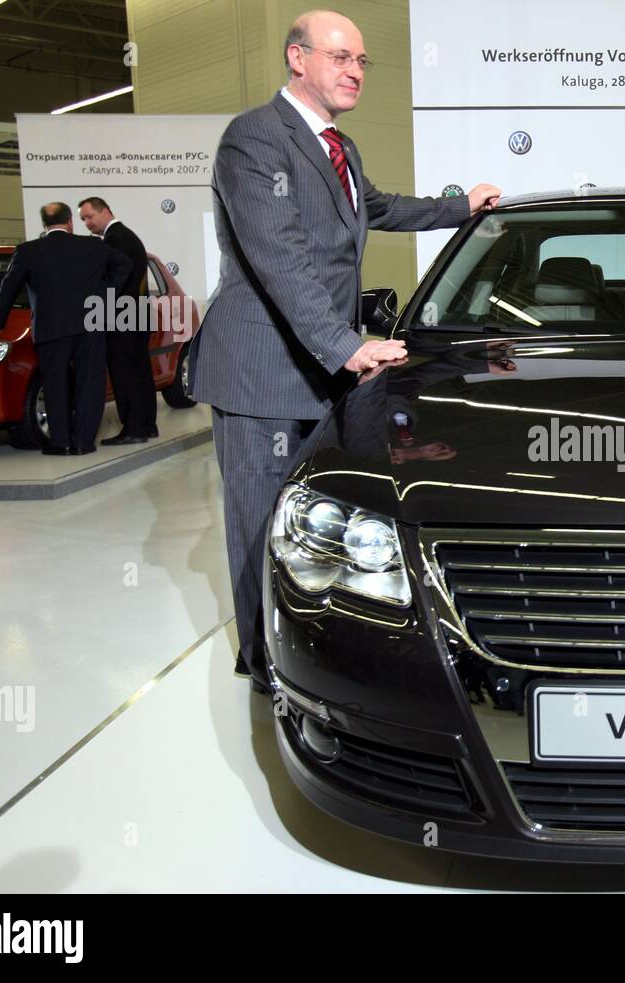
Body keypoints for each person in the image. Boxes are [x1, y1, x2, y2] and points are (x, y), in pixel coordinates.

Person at [188, 8, 502, 691]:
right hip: (262, 372)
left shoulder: (341, 147)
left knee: (315, 526)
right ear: (297, 58)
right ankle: (267, 666)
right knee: (259, 525)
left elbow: (378, 208)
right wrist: (346, 345)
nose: (355, 71)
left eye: (361, 61)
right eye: (340, 57)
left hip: (320, 371)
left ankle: (318, 648)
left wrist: (458, 207)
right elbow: (279, 255)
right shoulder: (254, 138)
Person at [0, 202, 131, 455]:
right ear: (70, 222)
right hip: (91, 322)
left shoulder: (28, 251)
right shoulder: (93, 246)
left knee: (54, 384)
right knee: (90, 383)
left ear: (44, 224)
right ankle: (83, 443)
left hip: (50, 327)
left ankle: (60, 442)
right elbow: (125, 264)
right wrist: (104, 294)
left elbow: (8, 288)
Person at [78, 197, 157, 445]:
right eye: (83, 219)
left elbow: (117, 279)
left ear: (106, 212)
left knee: (125, 374)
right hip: (134, 314)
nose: (87, 223)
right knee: (140, 371)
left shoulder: (116, 239)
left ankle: (134, 429)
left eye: (90, 216)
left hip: (122, 316)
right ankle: (146, 425)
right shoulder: (126, 236)